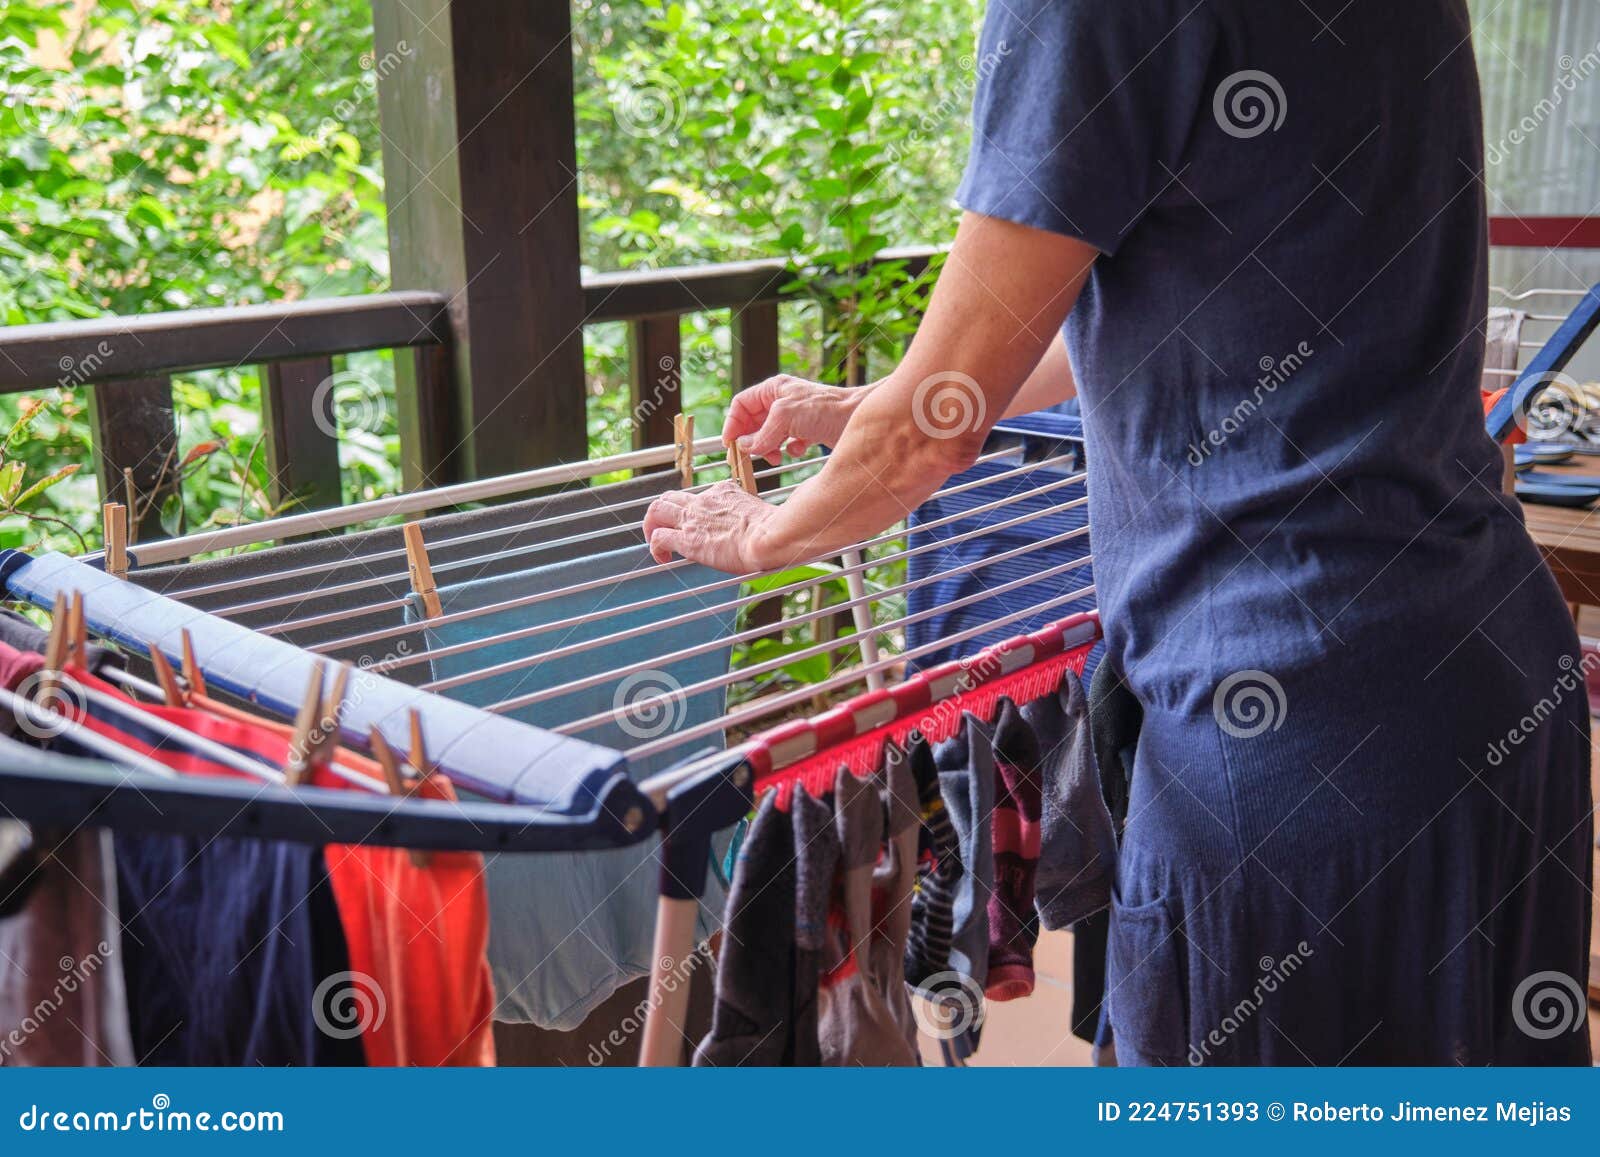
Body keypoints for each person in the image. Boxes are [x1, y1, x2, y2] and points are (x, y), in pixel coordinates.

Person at [642, 0, 1594, 1064]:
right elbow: (1144, 300)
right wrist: (876, 399)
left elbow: (930, 431)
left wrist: (764, 531)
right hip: (1492, 687)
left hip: (1292, 743)